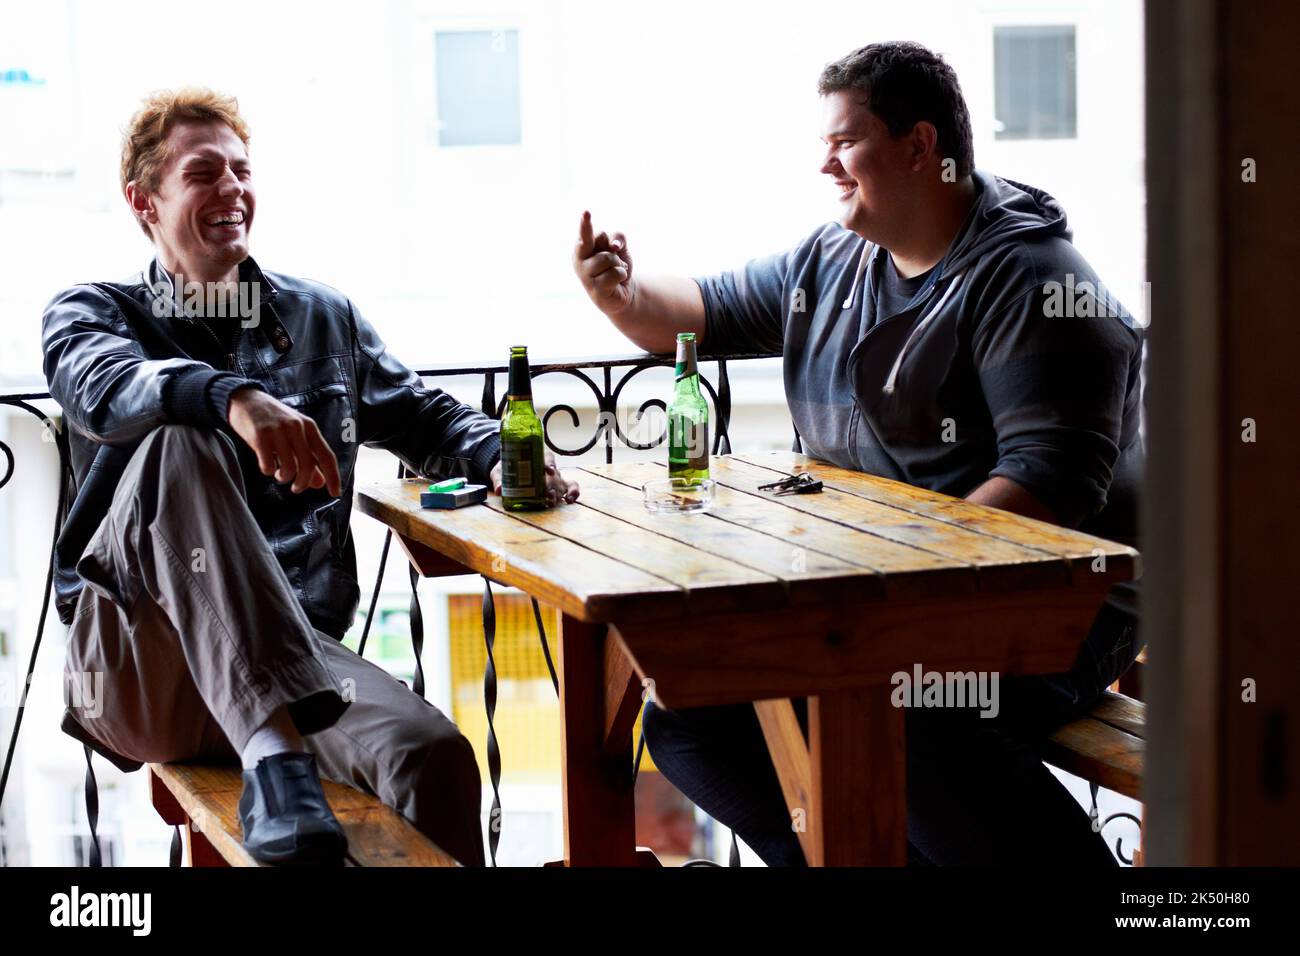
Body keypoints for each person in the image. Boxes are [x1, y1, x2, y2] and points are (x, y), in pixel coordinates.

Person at [573, 41, 1143, 865]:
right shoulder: (834, 261)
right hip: (882, 606)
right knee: (690, 718)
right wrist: (623, 297)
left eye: (845, 142)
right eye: (823, 145)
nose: (825, 165)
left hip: (1057, 611)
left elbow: (1042, 494)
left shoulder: (1035, 282)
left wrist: (867, 606)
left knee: (901, 713)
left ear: (920, 146)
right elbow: (703, 312)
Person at [42, 88, 579, 866]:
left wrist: (501, 454)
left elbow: (425, 416)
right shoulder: (91, 314)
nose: (232, 190)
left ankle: (276, 744)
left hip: (297, 655)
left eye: (242, 170)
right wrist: (233, 399)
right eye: (202, 174)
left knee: (433, 759)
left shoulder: (321, 318)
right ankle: (273, 759)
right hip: (139, 660)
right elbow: (105, 388)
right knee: (182, 442)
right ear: (143, 204)